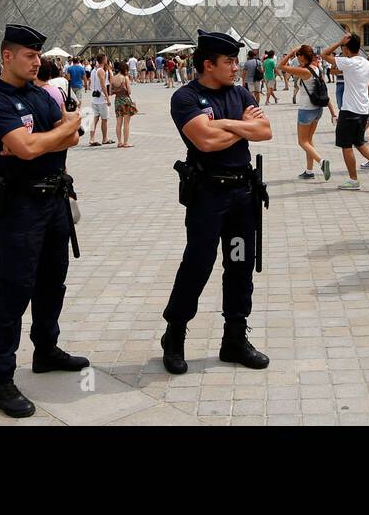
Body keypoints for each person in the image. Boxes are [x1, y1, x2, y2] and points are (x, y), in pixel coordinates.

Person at [0, 24, 87, 418]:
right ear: (7, 56)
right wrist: (61, 129)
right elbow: (26, 149)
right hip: (21, 206)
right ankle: (1, 380)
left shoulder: (40, 95)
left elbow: (69, 139)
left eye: (37, 55)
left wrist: (55, 134)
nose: (36, 61)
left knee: (52, 280)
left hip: (55, 200)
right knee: (13, 289)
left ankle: (46, 349)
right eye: (29, 55)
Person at [161, 29, 273, 376]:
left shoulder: (239, 92)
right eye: (229, 62)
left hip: (242, 197)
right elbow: (206, 142)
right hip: (208, 197)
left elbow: (266, 131)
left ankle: (235, 339)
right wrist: (241, 126)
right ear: (208, 64)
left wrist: (223, 124)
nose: (236, 68)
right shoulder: (185, 98)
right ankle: (174, 337)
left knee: (239, 265)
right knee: (197, 265)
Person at [321, 32, 369, 190]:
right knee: (359, 142)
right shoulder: (366, 63)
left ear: (346, 48)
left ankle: (353, 179)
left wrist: (339, 41)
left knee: (346, 145)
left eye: (344, 47)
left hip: (350, 109)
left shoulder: (348, 62)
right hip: (363, 109)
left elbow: (323, 54)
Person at [279, 45, 334, 181]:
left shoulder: (304, 71)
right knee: (309, 141)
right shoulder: (317, 68)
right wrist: (333, 112)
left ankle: (321, 162)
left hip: (306, 110)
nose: (297, 57)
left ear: (303, 56)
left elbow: (280, 66)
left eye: (298, 55)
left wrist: (291, 52)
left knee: (302, 142)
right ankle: (309, 171)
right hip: (317, 109)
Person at [111, 60, 137, 148]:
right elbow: (129, 91)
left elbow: (110, 92)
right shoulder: (125, 78)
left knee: (118, 123)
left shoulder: (113, 78)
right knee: (126, 123)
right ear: (124, 69)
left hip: (117, 101)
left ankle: (119, 142)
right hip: (125, 101)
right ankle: (126, 142)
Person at [88, 53, 112, 146]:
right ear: (104, 60)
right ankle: (104, 138)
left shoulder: (93, 71)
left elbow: (91, 83)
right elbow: (103, 85)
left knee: (94, 119)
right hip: (101, 99)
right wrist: (107, 97)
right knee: (104, 119)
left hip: (94, 98)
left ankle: (91, 138)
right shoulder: (101, 71)